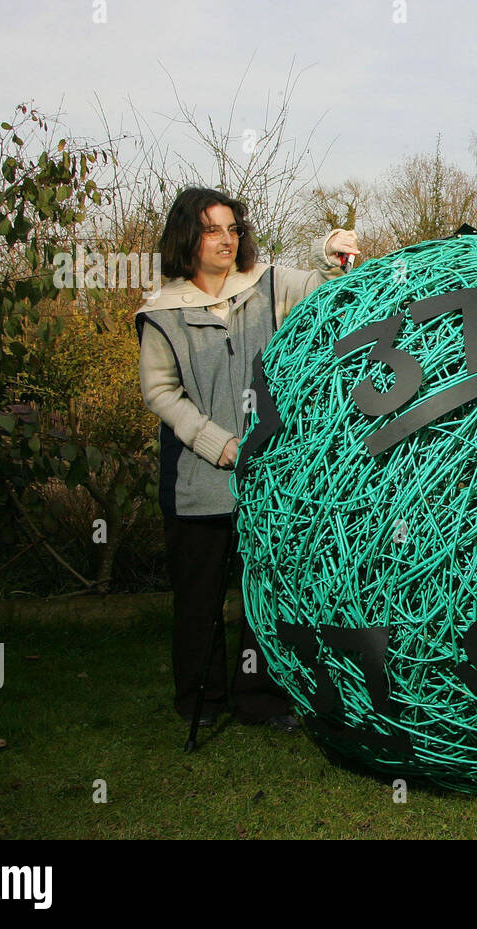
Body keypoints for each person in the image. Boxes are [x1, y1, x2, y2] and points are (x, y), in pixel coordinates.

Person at [136, 187, 357, 731]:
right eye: (213, 230)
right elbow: (161, 394)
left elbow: (330, 291)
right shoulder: (161, 314)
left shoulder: (267, 284)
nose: (227, 240)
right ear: (187, 237)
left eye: (232, 228)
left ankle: (261, 699)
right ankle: (201, 701)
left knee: (263, 595)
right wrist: (219, 445)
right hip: (198, 483)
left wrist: (333, 255)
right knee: (199, 598)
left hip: (265, 479)